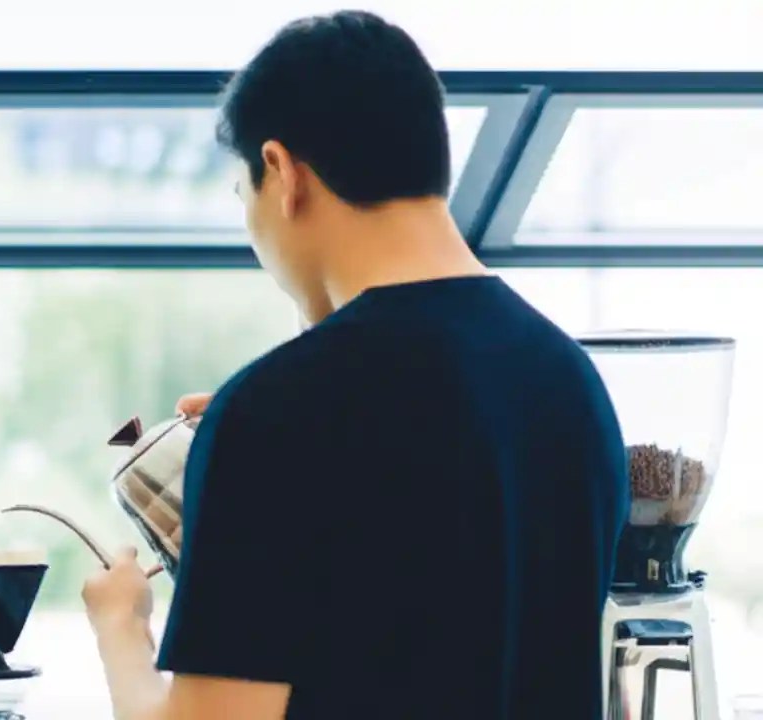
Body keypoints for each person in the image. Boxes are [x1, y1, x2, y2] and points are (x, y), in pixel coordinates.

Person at [80, 9, 629, 720]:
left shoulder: (276, 415)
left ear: (280, 173)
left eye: (242, 196)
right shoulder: (571, 384)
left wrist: (121, 628)